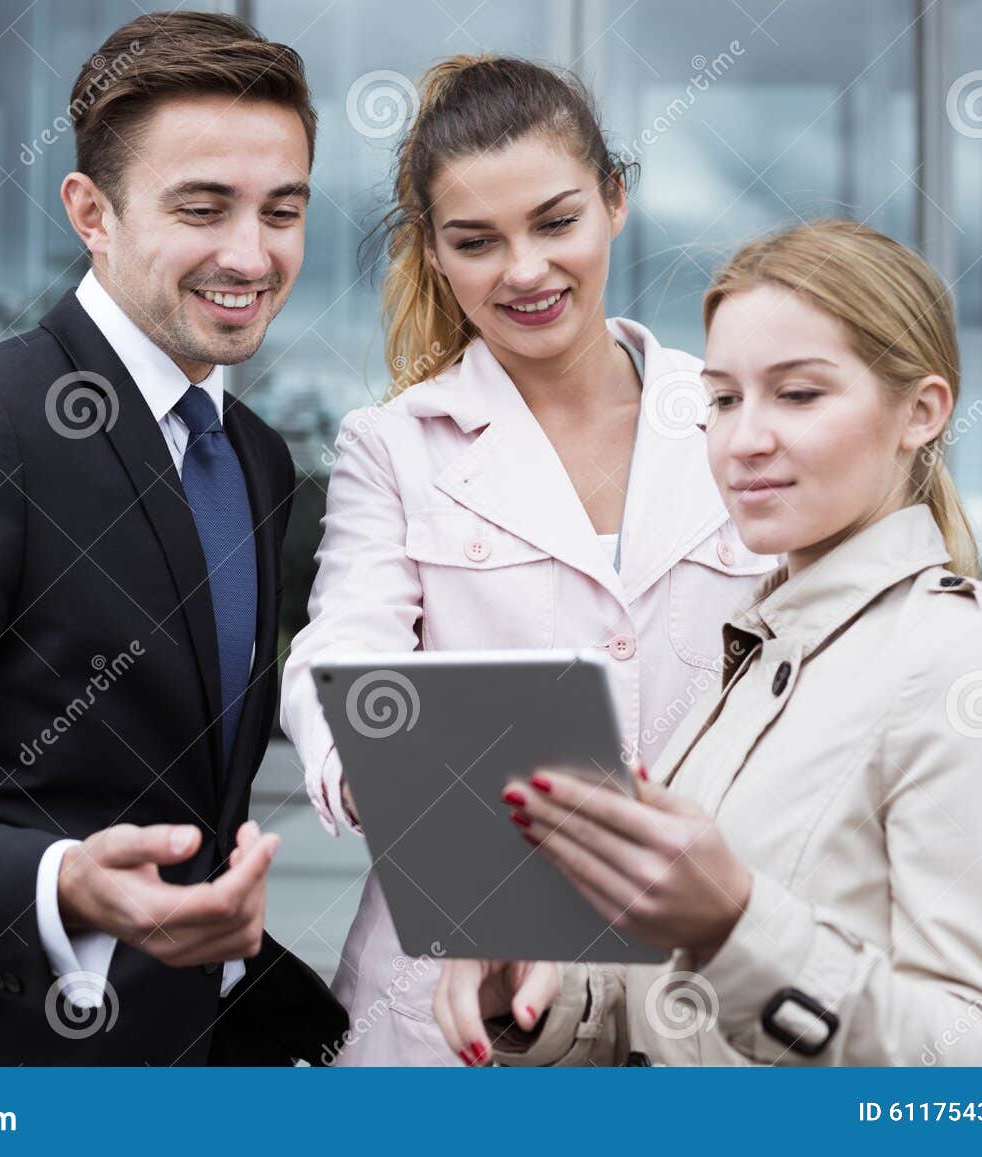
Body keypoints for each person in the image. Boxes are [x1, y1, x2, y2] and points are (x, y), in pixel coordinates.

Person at [0, 11, 345, 1066]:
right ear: (90, 210)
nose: (251, 253)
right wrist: (61, 883)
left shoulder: (257, 459)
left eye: (283, 209)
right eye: (203, 206)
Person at [434, 219, 982, 1066]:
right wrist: (538, 995)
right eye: (722, 399)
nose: (743, 440)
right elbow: (682, 1013)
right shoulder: (756, 655)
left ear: (920, 413)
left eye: (800, 394)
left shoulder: (976, 670)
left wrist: (735, 924)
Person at [280, 55, 774, 1066]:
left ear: (616, 201)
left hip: (698, 1001)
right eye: (476, 241)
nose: (525, 270)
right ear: (435, 249)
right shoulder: (398, 444)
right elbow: (335, 656)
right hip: (454, 1003)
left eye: (556, 223)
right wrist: (390, 772)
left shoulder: (734, 416)